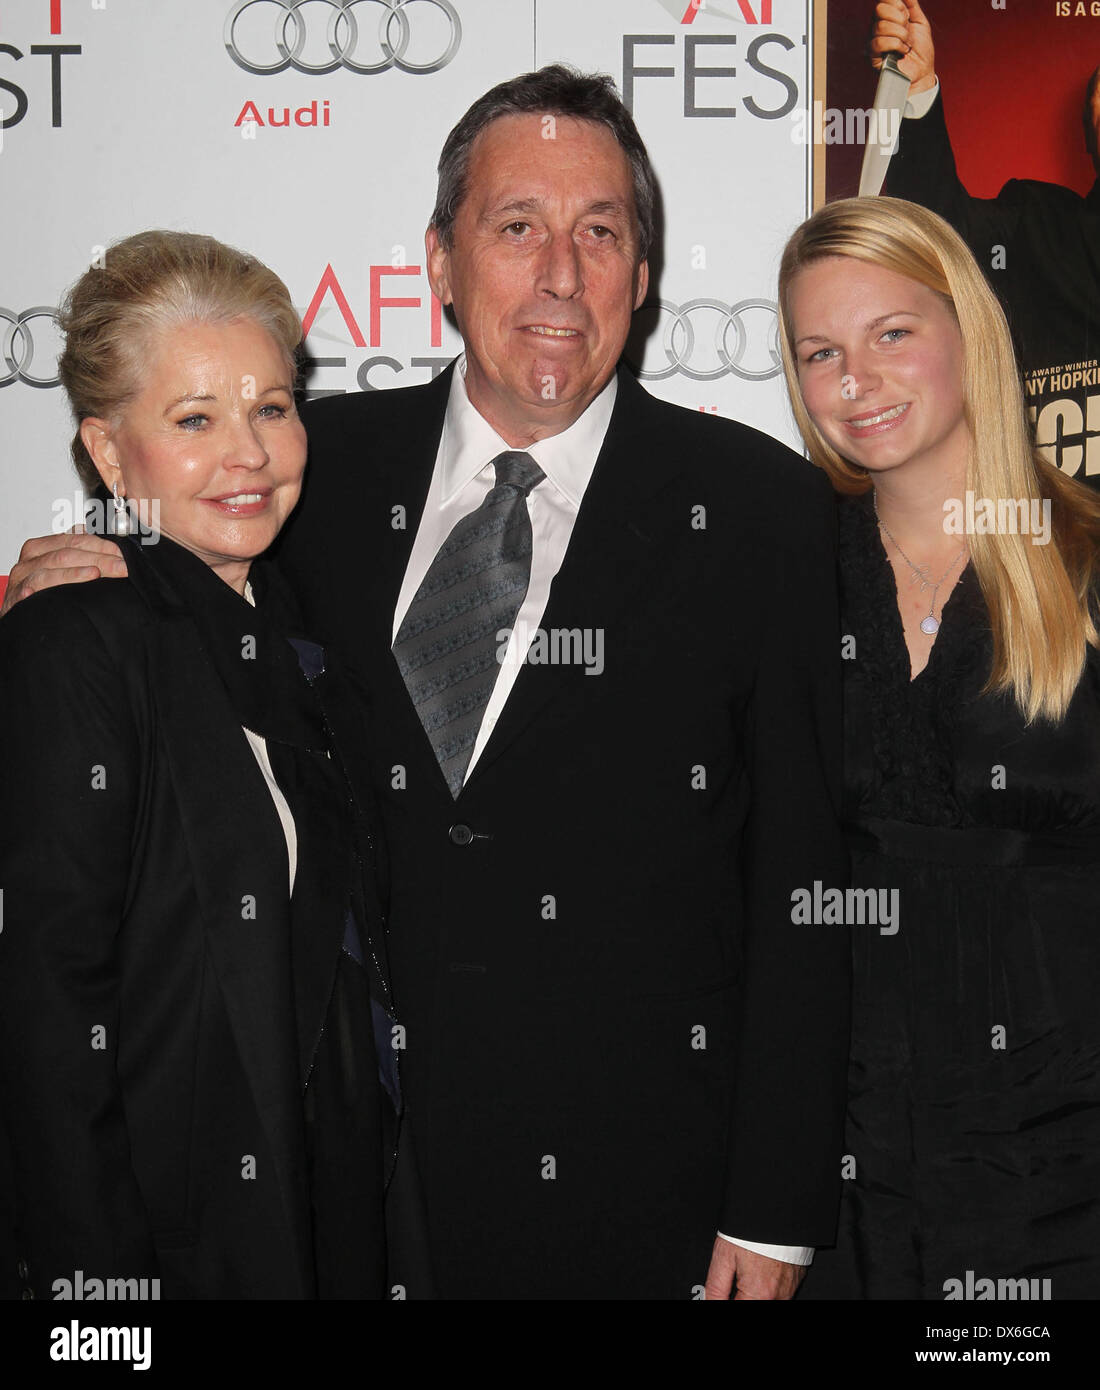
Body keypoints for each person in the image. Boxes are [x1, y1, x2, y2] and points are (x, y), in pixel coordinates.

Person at [3, 66, 850, 1301]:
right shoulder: (305, 472)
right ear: (439, 265)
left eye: (600, 232)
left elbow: (802, 879)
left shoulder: (760, 511)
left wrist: (772, 1213)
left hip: (649, 1199)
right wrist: (71, 569)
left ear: (644, 273)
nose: (560, 273)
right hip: (352, 1192)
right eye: (516, 227)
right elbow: (174, 621)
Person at [0, 231, 394, 1300]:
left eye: (270, 406)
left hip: (336, 1218)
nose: (249, 453)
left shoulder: (308, 634)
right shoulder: (75, 643)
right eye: (193, 419)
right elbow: (47, 1023)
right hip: (166, 1255)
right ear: (109, 454)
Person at [778, 194, 1100, 1299]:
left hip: (1063, 1165)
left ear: (968, 326)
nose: (853, 379)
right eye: (820, 351)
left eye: (890, 333)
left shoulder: (1086, 559)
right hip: (838, 1159)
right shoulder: (778, 576)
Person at [870, 0, 1100, 483]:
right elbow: (939, 229)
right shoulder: (1037, 226)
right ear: (1091, 140)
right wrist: (915, 94)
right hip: (1059, 542)